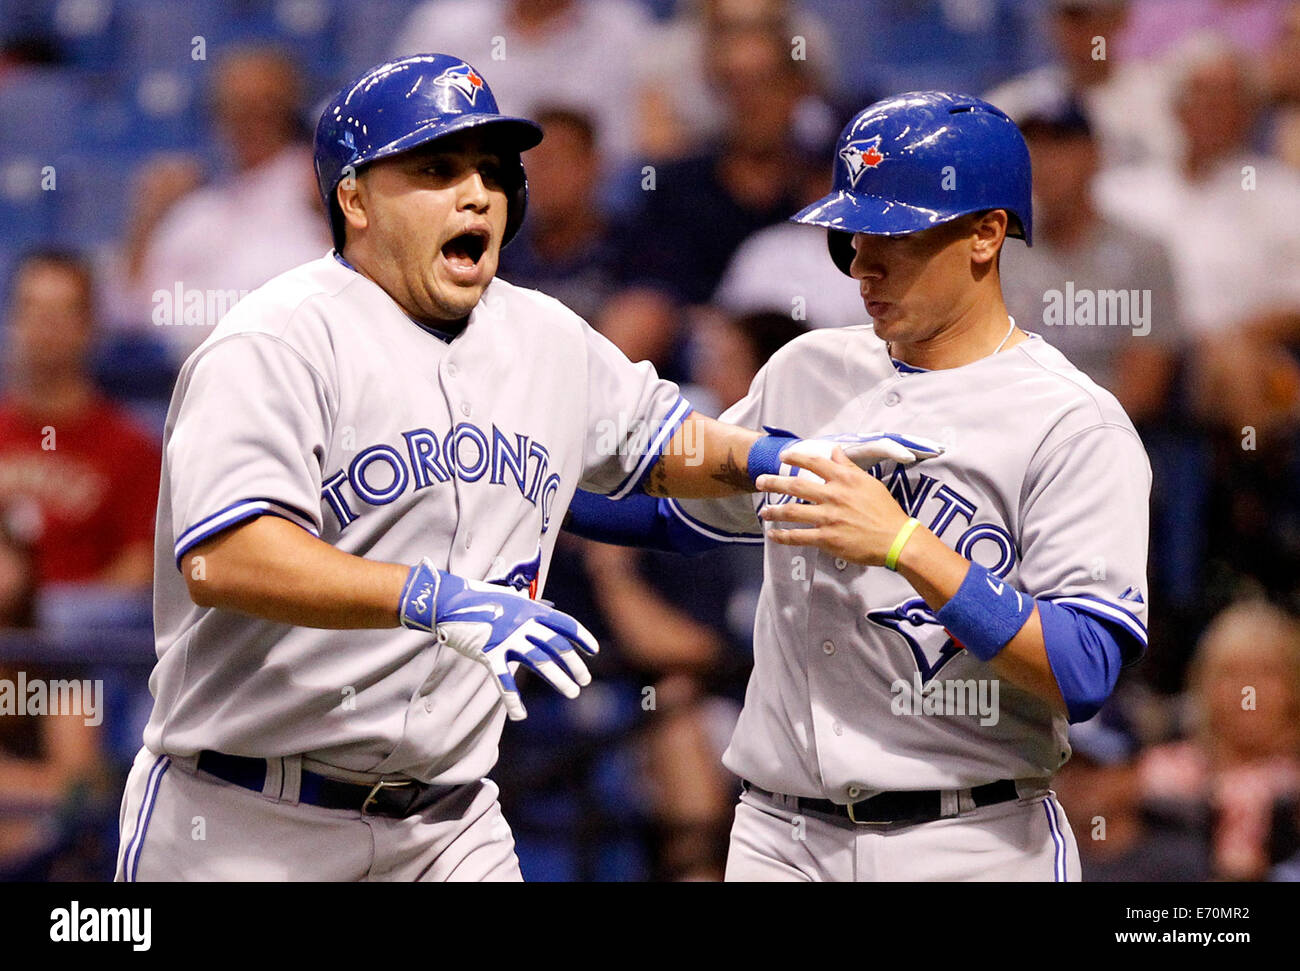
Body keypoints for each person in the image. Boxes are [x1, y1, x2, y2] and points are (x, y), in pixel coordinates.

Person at [112, 54, 925, 883]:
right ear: (352, 199)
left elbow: (662, 445)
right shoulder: (275, 341)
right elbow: (227, 557)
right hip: (248, 818)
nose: (477, 193)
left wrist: (781, 460)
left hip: (447, 822)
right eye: (436, 168)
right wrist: (427, 595)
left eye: (494, 172)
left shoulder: (545, 335)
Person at [569, 92, 1152, 881]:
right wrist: (522, 480)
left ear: (987, 234)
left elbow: (1085, 667)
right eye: (852, 236)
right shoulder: (810, 369)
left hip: (968, 839)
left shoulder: (1072, 422)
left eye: (895, 237)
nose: (863, 264)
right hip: (778, 837)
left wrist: (907, 545)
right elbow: (677, 514)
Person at [123, 46, 331, 358]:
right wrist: (148, 219)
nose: (250, 122)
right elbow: (130, 309)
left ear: (289, 110)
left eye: (265, 107)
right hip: (201, 374)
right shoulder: (199, 209)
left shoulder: (316, 188)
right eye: (236, 108)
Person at [0, 250, 160, 590]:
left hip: (87, 639)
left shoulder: (131, 448)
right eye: (32, 310)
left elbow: (141, 562)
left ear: (89, 326)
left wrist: (63, 623)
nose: (44, 327)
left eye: (60, 313)